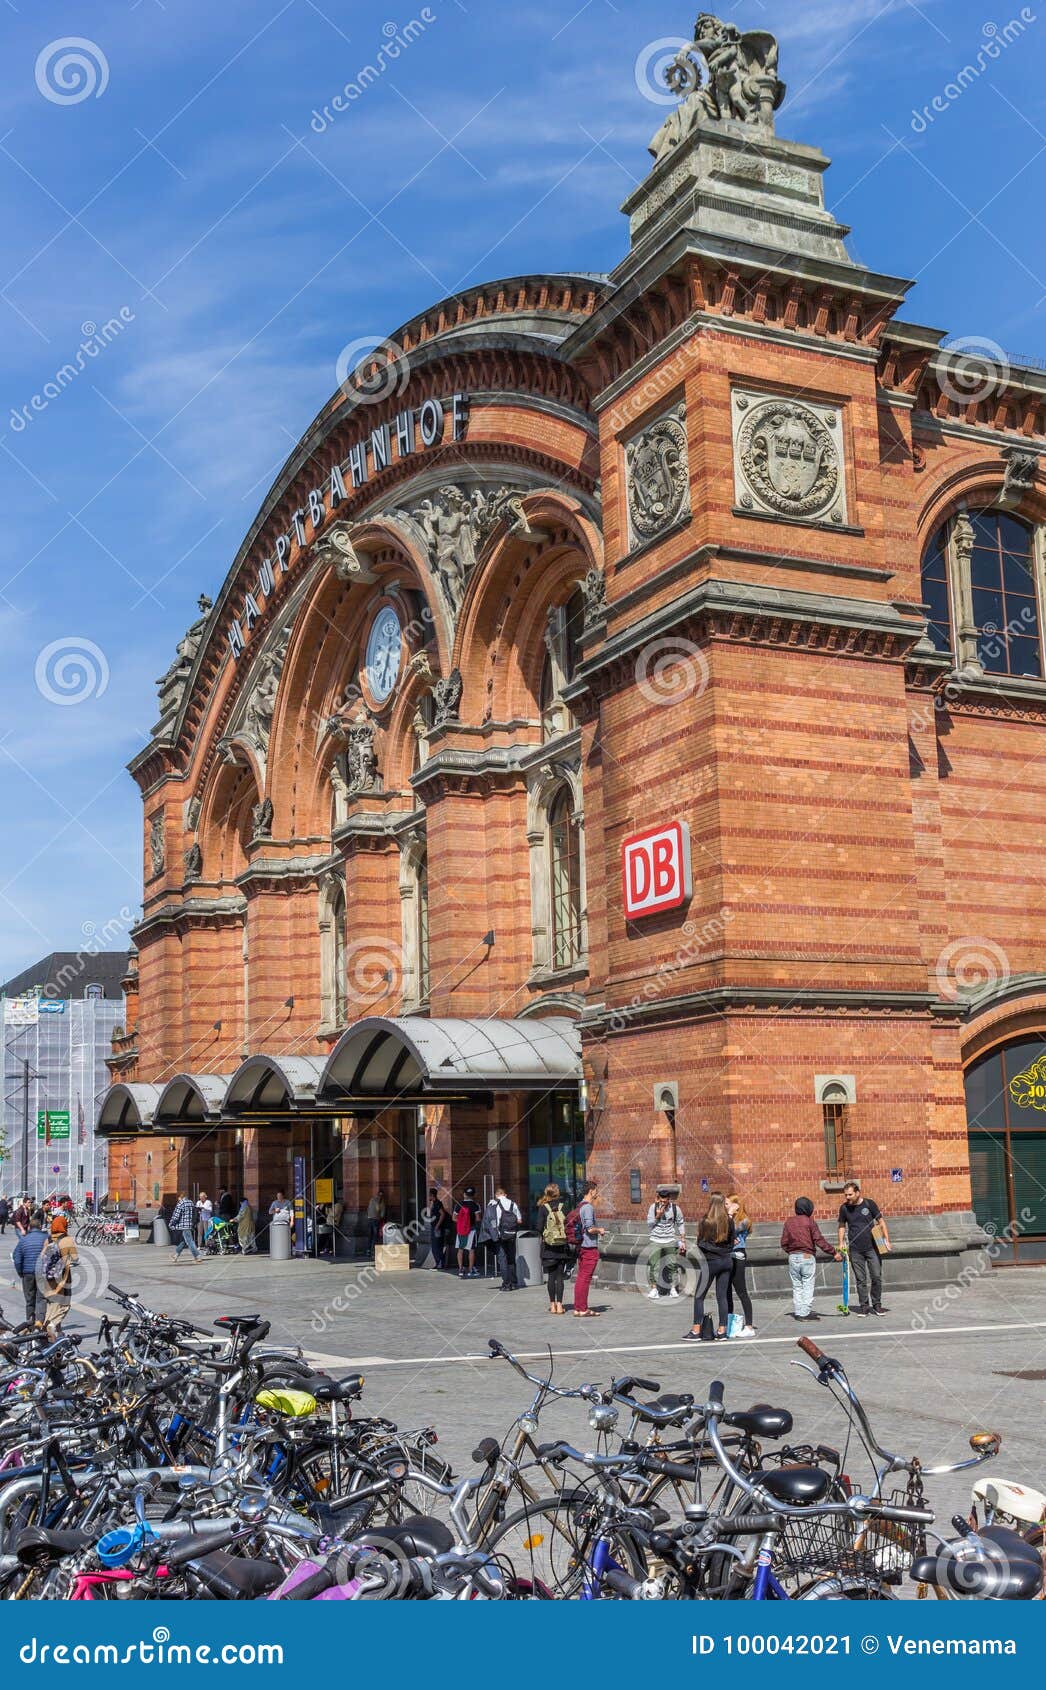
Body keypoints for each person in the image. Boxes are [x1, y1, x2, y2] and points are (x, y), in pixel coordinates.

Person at [684, 1191, 734, 1341]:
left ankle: (696, 1330)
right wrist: (722, 1251)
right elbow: (732, 1244)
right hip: (726, 1261)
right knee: (722, 1296)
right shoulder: (729, 1221)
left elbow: (700, 1244)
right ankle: (722, 1330)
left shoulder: (706, 1221)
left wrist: (713, 1250)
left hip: (710, 1262)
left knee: (699, 1296)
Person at [838, 1180, 891, 1316]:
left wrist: (886, 1240)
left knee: (876, 1276)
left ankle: (877, 1305)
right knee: (861, 1279)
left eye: (849, 1195)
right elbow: (842, 1226)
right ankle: (864, 1306)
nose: (847, 1197)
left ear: (857, 1193)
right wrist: (841, 1243)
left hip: (872, 1248)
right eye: (846, 1195)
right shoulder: (844, 1208)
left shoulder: (869, 1204)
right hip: (855, 1250)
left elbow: (881, 1222)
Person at [781, 1197, 840, 1321]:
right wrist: (833, 1252)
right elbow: (819, 1240)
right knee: (807, 1284)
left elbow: (784, 1242)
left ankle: (798, 1311)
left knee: (797, 1285)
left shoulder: (788, 1222)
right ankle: (805, 1312)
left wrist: (791, 1252)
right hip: (807, 1255)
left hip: (793, 1256)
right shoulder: (809, 1221)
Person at [646, 1185, 686, 1299]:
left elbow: (680, 1223)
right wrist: (657, 1216)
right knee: (654, 1265)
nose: (663, 1203)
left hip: (670, 1239)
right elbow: (649, 1224)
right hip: (655, 1240)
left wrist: (683, 1240)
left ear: (669, 1199)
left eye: (665, 1200)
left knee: (672, 1265)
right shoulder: (653, 1208)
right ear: (658, 1198)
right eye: (661, 1200)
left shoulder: (675, 1209)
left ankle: (673, 1288)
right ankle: (654, 1289)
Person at [536, 1182, 571, 1314]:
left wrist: (544, 1236)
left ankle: (552, 1305)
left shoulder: (543, 1208)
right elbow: (569, 1224)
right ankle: (560, 1305)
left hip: (549, 1247)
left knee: (551, 1277)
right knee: (560, 1277)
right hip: (562, 1247)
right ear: (557, 1193)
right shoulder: (563, 1207)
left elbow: (538, 1228)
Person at [40, 1214, 78, 1335]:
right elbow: (75, 1258)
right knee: (64, 1305)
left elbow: (42, 1256)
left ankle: (54, 1331)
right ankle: (49, 1327)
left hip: (48, 1277)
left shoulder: (48, 1239)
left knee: (52, 1304)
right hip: (63, 1278)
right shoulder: (67, 1239)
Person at [572, 1178, 604, 1318]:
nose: (597, 1193)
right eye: (596, 1191)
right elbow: (590, 1229)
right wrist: (600, 1230)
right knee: (585, 1278)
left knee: (581, 1278)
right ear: (591, 1191)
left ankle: (578, 1308)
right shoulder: (588, 1207)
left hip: (581, 1246)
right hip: (589, 1247)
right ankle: (583, 1308)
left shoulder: (580, 1205)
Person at [725, 1193, 756, 1335]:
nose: (724, 1207)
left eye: (727, 1204)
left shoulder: (744, 1221)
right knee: (726, 1292)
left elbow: (729, 1230)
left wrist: (730, 1237)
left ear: (736, 1207)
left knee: (741, 1291)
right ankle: (727, 1323)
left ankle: (749, 1327)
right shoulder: (727, 1219)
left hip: (737, 1257)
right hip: (727, 1256)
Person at [13, 1213, 47, 1326]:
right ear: (40, 1227)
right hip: (42, 1272)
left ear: (29, 1227)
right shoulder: (45, 1238)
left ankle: (30, 1322)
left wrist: (20, 1272)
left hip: (27, 1273)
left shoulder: (23, 1240)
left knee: (29, 1299)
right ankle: (40, 1322)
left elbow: (16, 1257)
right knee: (41, 1298)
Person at [485, 1185, 522, 1290]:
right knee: (511, 1259)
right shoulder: (513, 1204)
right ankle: (514, 1282)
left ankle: (506, 1284)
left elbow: (491, 1221)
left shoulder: (494, 1204)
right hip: (511, 1235)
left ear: (496, 1195)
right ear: (505, 1194)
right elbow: (519, 1220)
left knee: (502, 1259)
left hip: (500, 1236)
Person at [453, 1187, 481, 1278]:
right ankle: (470, 1269)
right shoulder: (476, 1205)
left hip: (461, 1230)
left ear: (464, 1194)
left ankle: (460, 1269)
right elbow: (478, 1218)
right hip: (471, 1230)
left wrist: (462, 1223)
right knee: (471, 1250)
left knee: (460, 1250)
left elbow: (454, 1218)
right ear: (474, 1195)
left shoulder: (459, 1204)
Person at [169, 1191, 201, 1262]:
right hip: (190, 1225)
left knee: (190, 1241)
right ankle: (175, 1255)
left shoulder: (181, 1203)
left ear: (179, 1197)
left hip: (183, 1226)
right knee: (183, 1241)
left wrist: (171, 1223)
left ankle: (197, 1256)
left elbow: (176, 1216)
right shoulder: (191, 1202)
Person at [426, 1187, 449, 1270]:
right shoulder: (434, 1203)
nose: (428, 1197)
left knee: (436, 1246)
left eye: (429, 1195)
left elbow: (442, 1214)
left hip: (437, 1228)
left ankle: (440, 1263)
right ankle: (439, 1263)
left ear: (432, 1195)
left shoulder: (437, 1203)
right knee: (435, 1246)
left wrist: (437, 1226)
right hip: (435, 1227)